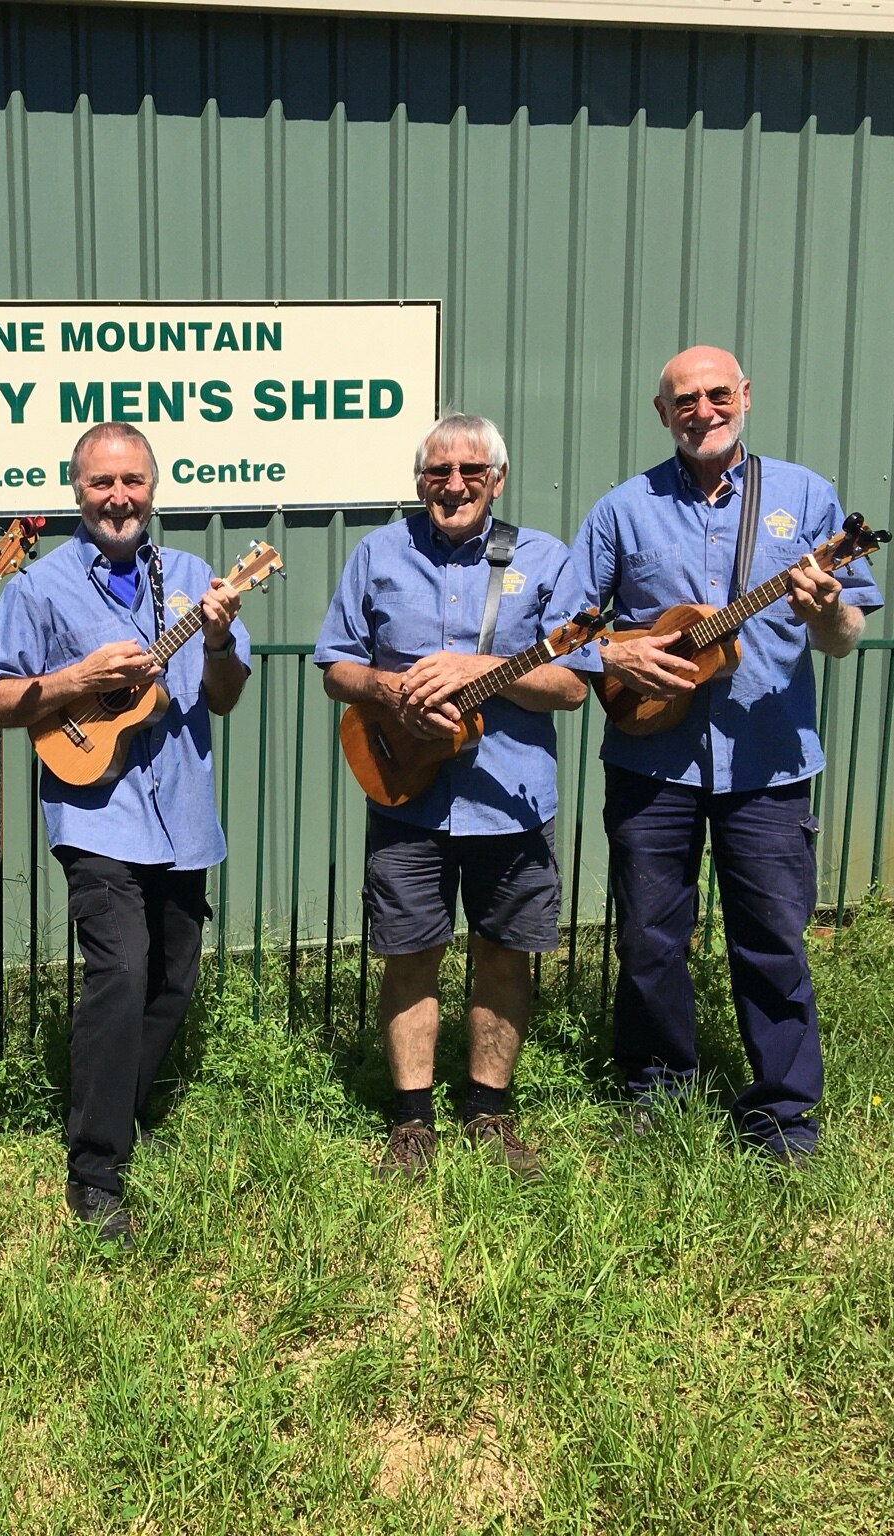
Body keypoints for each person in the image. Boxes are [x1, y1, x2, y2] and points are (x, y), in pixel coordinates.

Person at [545, 346, 883, 1164]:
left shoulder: (804, 498)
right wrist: (614, 658)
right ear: (662, 414)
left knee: (772, 937)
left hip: (769, 764)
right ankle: (658, 1088)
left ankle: (782, 1116)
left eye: (717, 394)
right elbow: (563, 634)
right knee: (651, 937)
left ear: (745, 397)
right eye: (683, 400)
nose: (703, 409)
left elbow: (845, 638)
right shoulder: (623, 510)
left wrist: (824, 608)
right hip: (648, 763)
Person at [0, 422, 249, 1247]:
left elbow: (225, 696)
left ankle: (119, 1108)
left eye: (132, 482)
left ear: (153, 489)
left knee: (172, 980)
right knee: (120, 971)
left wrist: (222, 637)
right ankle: (94, 1170)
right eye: (101, 484)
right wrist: (75, 679)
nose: (118, 498)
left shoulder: (193, 578)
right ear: (78, 492)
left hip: (183, 815)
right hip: (95, 812)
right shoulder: (40, 585)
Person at [316, 413, 587, 1180]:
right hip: (406, 796)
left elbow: (572, 682)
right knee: (409, 956)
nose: (455, 485)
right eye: (439, 472)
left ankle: (489, 1110)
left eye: (472, 471)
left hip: (513, 801)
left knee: (505, 956)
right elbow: (336, 664)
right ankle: (411, 1122)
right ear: (419, 480)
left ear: (498, 479)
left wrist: (478, 670)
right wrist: (390, 689)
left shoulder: (543, 559)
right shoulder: (378, 552)